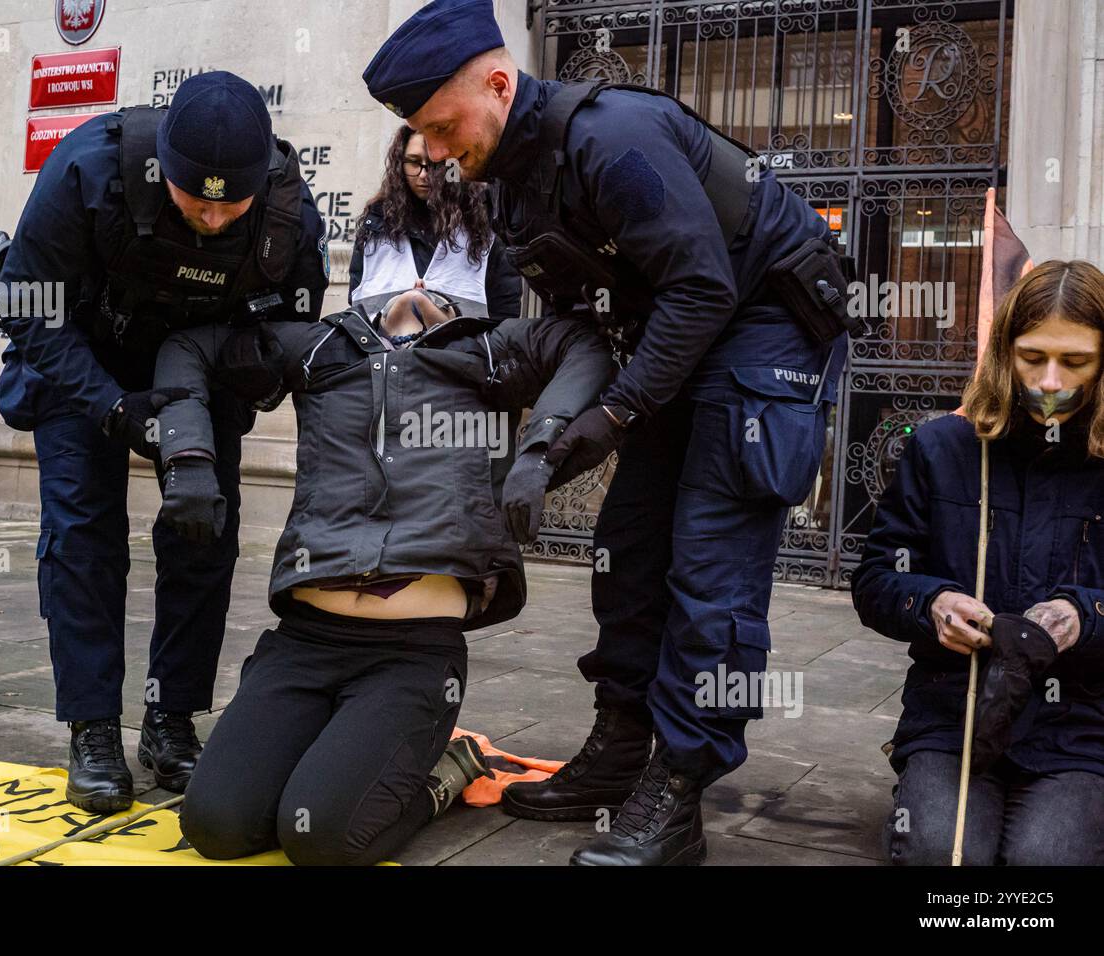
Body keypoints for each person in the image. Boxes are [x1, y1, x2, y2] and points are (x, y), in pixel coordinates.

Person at [362, 0, 854, 865]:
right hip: (679, 335)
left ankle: (679, 788)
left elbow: (700, 290)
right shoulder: (512, 187)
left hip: (762, 329)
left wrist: (618, 413)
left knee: (710, 559)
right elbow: (573, 332)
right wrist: (555, 436)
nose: (433, 155)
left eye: (441, 127)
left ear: (499, 83)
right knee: (628, 546)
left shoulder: (611, 139)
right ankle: (622, 748)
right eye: (420, 136)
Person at [154, 290, 612, 865]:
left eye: (436, 294)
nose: (416, 292)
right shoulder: (322, 345)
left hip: (410, 656)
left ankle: (448, 767)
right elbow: (187, 345)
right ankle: (332, 757)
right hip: (302, 643)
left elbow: (587, 342)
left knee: (322, 838)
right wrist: (188, 454)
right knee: (216, 826)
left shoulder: (488, 349)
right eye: (402, 282)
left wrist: (541, 445)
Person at [0, 71, 329, 813]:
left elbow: (289, 332)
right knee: (83, 535)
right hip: (83, 362)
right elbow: (26, 310)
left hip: (202, 375)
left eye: (228, 202)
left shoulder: (286, 212)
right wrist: (115, 407)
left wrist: (219, 404)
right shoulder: (87, 168)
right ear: (163, 171)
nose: (211, 218)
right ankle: (92, 727)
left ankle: (170, 719)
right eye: (194, 199)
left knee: (203, 534)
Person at [852, 260, 1104, 865]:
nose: (1049, 382)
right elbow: (877, 578)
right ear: (1002, 352)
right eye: (1031, 356)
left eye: (1075, 362)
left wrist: (1084, 615)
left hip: (1078, 725)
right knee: (942, 852)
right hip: (953, 714)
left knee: (1049, 859)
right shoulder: (942, 448)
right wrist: (930, 602)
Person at [350, 124, 521, 320]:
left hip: (463, 349)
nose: (424, 175)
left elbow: (506, 313)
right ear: (400, 165)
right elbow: (356, 307)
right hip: (383, 349)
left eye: (433, 164)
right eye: (414, 162)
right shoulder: (375, 226)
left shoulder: (485, 224)